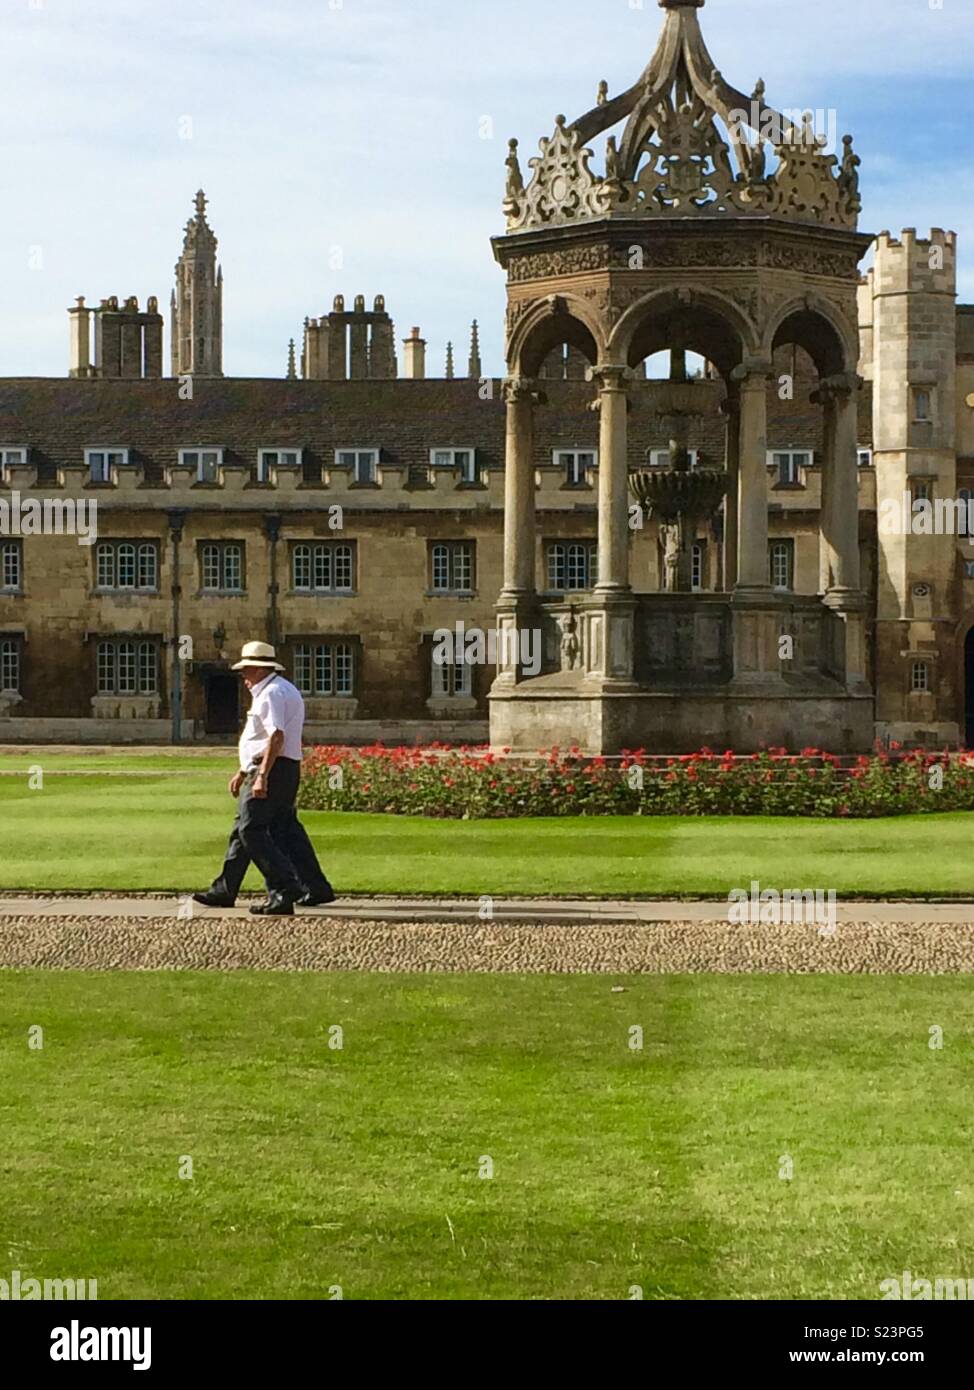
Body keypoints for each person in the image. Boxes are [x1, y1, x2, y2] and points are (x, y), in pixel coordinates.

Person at [193, 641, 336, 916]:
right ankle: (314, 886)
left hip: (273, 768)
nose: (243, 677)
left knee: (250, 830)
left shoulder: (270, 693)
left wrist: (261, 777)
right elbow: (263, 739)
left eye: (246, 670)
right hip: (281, 767)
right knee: (282, 829)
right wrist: (244, 770)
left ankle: (284, 887)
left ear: (259, 669)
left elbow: (275, 737)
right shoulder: (282, 689)